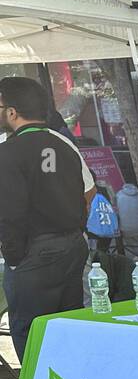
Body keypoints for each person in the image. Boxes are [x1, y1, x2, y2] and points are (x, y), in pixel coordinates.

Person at [0, 75, 91, 362]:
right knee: (68, 329)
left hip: (33, 254)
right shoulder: (65, 145)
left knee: (31, 335)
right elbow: (87, 193)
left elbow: (8, 213)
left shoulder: (7, 152)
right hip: (73, 246)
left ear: (12, 112)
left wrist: (14, 257)